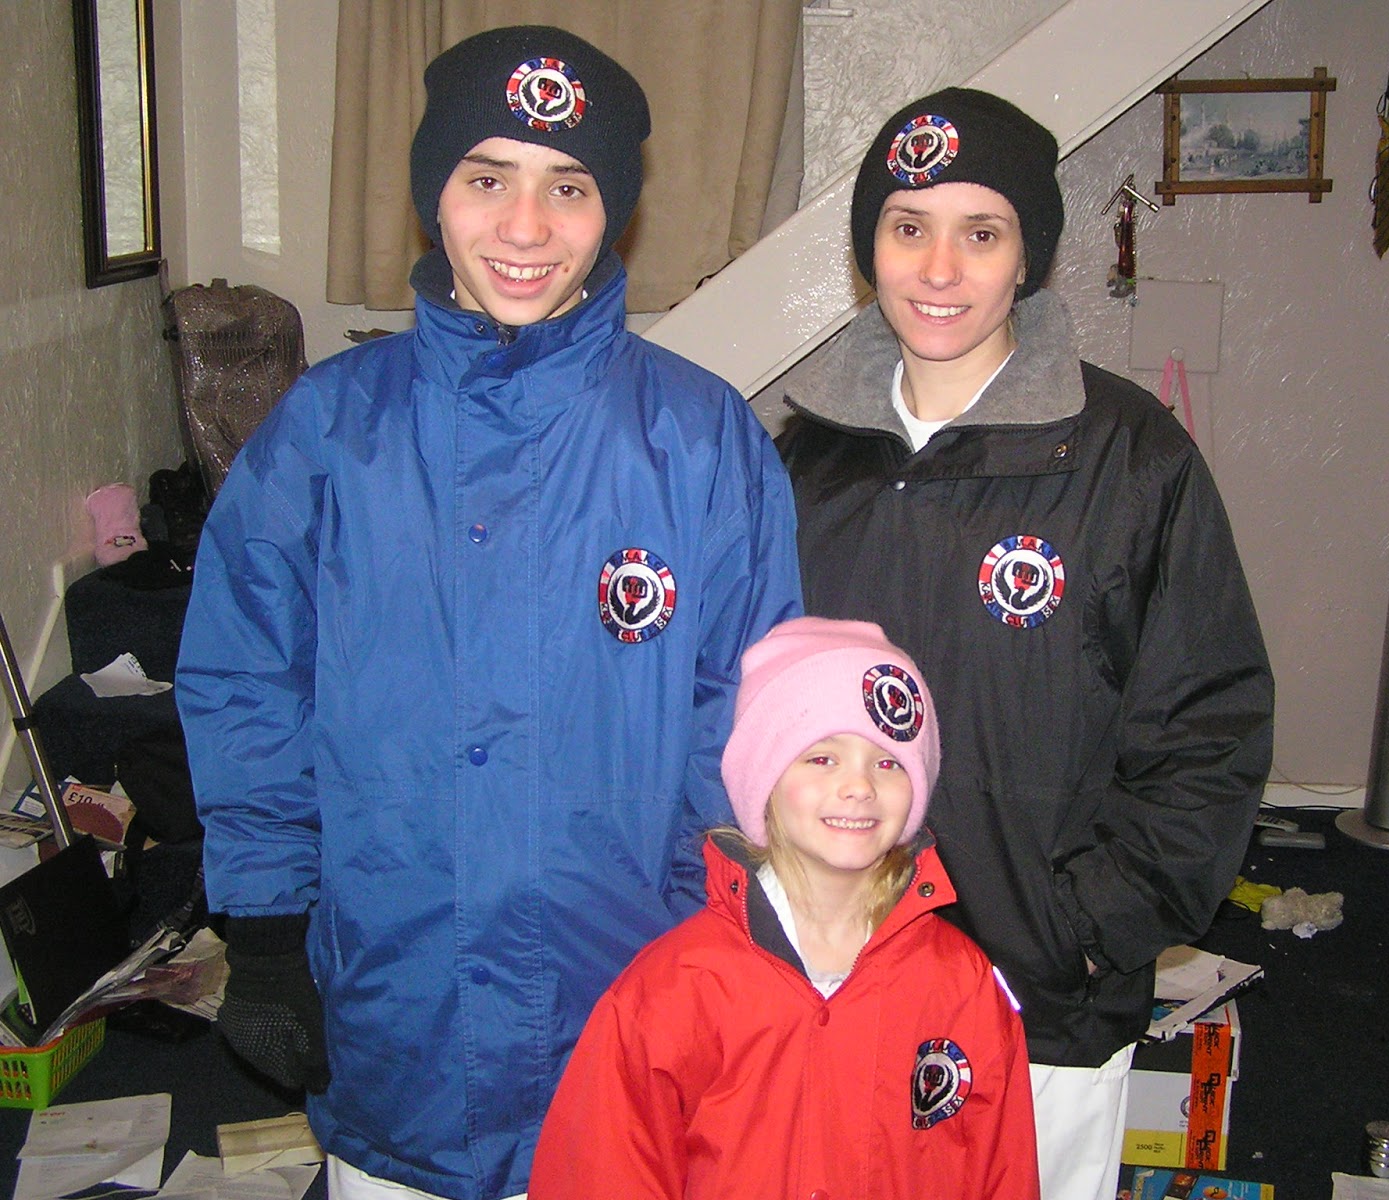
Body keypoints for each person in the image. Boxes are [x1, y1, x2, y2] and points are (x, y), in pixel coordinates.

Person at [174, 25, 802, 1200]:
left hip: (623, 1006)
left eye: (567, 186)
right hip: (399, 1004)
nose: (525, 228)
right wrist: (264, 928)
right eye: (486, 179)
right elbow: (248, 673)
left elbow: (751, 721)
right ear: (433, 197)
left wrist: (723, 950)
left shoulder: (702, 440)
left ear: (612, 207)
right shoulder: (326, 432)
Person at [775, 88, 1274, 1200]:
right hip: (834, 982)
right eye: (908, 228)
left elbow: (1209, 726)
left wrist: (1084, 932)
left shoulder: (1129, 460)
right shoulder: (804, 463)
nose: (939, 268)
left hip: (1037, 998)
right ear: (872, 252)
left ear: (1027, 258)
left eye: (980, 232)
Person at [529, 616, 1039, 1199]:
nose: (859, 787)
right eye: (821, 758)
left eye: (889, 761)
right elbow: (600, 1175)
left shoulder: (962, 986)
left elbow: (1004, 1175)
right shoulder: (670, 991)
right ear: (763, 780)